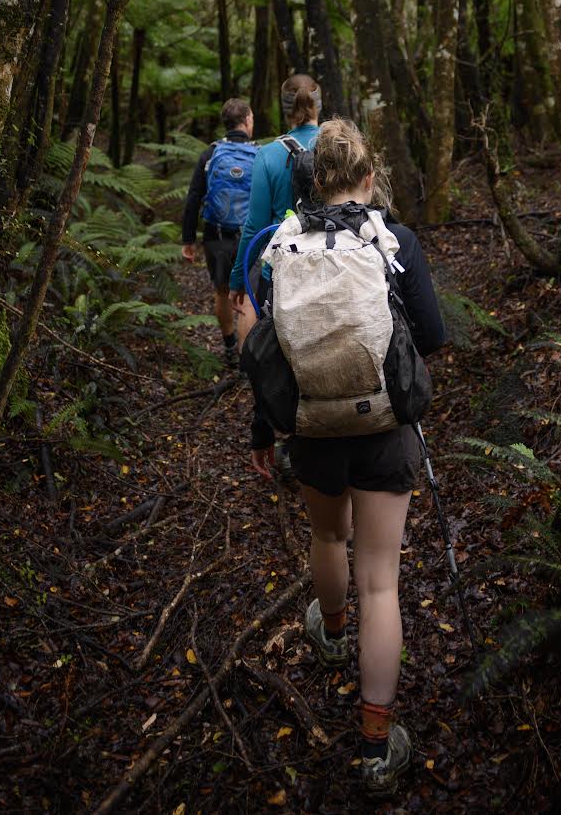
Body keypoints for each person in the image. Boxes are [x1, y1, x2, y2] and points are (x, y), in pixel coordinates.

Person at [246, 118, 446, 799]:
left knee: (328, 534)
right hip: (386, 427)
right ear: (368, 177)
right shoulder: (395, 241)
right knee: (382, 583)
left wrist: (263, 430)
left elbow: (266, 350)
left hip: (311, 429)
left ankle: (331, 633)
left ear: (312, 181)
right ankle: (374, 742)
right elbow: (437, 335)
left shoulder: (277, 248)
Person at [229, 73, 321, 334]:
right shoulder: (340, 145)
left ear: (285, 108)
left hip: (284, 269)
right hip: (340, 261)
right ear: (319, 104)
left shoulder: (267, 155)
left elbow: (255, 226)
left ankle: (251, 372)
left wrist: (239, 277)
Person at [181, 98, 257, 367]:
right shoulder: (258, 155)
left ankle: (227, 347)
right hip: (249, 237)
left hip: (216, 236)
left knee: (222, 291)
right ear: (247, 120)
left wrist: (188, 239)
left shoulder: (210, 154)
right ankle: (245, 356)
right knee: (248, 296)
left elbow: (194, 197)